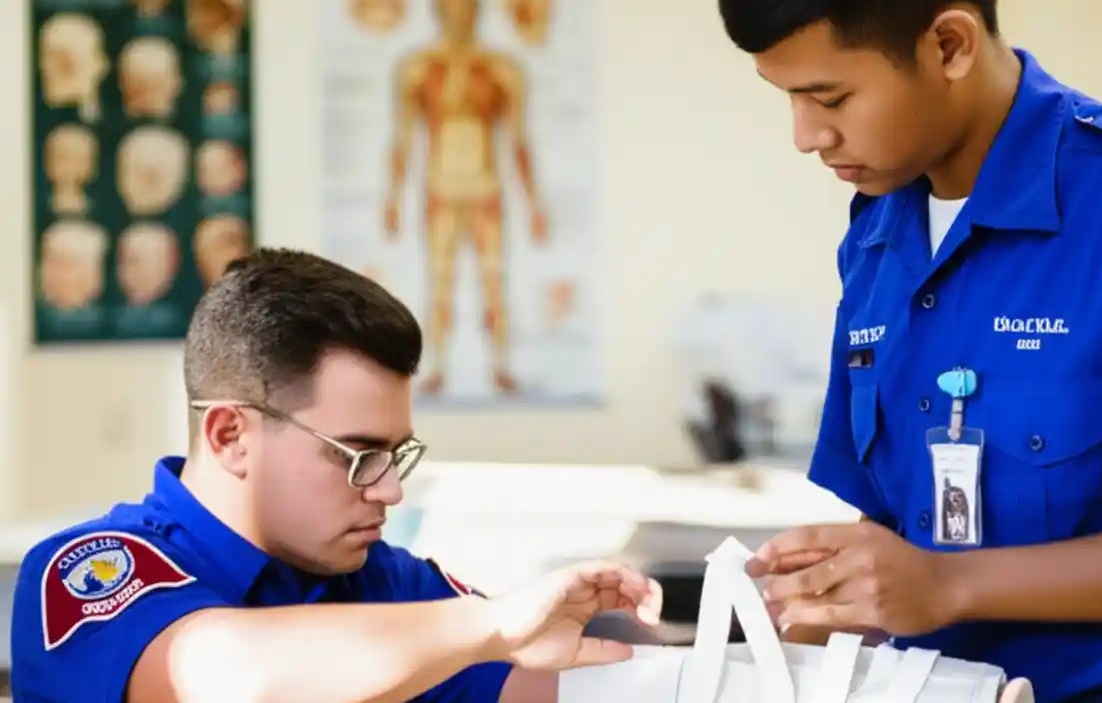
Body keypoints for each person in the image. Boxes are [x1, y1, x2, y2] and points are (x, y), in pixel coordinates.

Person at [716, 0, 1102, 701]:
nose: (807, 135)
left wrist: (954, 585)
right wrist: (818, 607)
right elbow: (898, 527)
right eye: (787, 97)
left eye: (830, 99)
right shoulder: (879, 231)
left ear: (948, 45)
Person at [9, 248, 662, 702]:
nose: (389, 490)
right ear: (231, 436)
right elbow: (227, 681)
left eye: (395, 456)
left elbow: (549, 686)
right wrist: (487, 626)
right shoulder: (90, 570)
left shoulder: (380, 580)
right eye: (356, 455)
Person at [385, 0, 549, 396]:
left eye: (466, 4)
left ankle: (499, 364)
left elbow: (518, 140)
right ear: (437, 9)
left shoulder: (500, 68)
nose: (458, 13)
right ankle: (437, 364)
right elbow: (403, 140)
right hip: (441, 184)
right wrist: (393, 198)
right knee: (440, 278)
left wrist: (534, 204)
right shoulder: (418, 68)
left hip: (484, 184)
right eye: (450, 5)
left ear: (478, 10)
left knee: (493, 276)